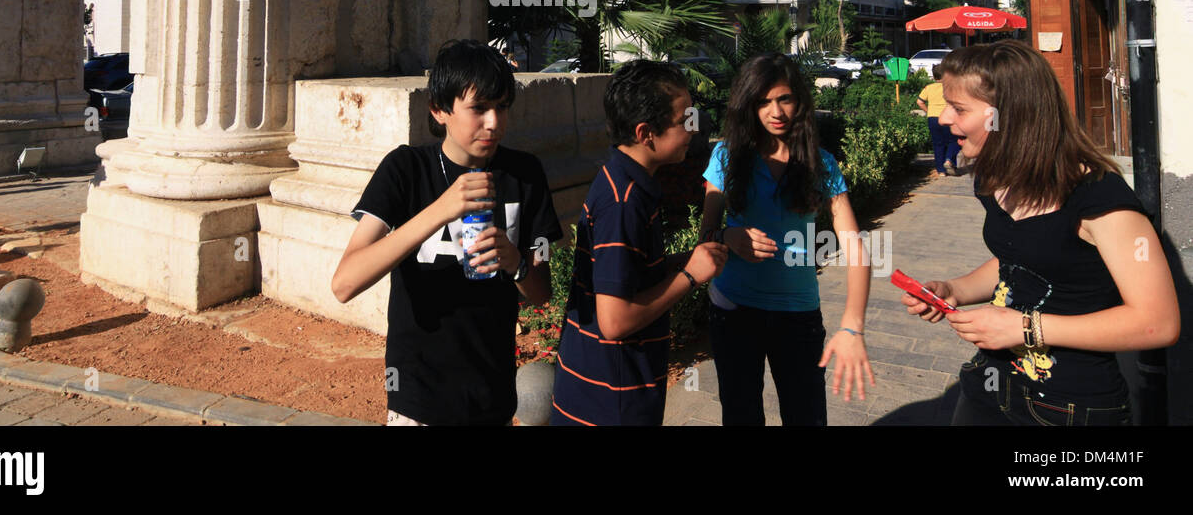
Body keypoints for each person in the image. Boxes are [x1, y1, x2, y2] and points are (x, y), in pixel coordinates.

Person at [901, 40, 1179, 425]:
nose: (945, 119)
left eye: (959, 108)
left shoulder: (1101, 198)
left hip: (1070, 408)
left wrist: (1024, 328)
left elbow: (1158, 322)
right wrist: (955, 290)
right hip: (989, 386)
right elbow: (1021, 257)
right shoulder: (997, 178)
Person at [331, 39, 562, 425]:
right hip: (420, 396)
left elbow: (542, 292)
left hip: (493, 393)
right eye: (479, 108)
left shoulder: (525, 174)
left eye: (502, 107)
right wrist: (440, 210)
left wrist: (516, 262)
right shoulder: (405, 169)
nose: (493, 122)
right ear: (440, 110)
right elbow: (344, 283)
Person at [699, 52, 876, 425]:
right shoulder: (725, 156)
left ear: (800, 101)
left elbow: (855, 247)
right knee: (741, 415)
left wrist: (852, 325)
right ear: (748, 105)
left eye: (784, 99)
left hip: (798, 315)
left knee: (807, 416)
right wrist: (728, 236)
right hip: (733, 310)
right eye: (763, 101)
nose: (775, 111)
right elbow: (706, 237)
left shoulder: (820, 163)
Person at [550, 60, 728, 426]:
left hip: (603, 391)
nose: (693, 128)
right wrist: (691, 276)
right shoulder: (624, 202)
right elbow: (613, 321)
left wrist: (685, 260)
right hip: (609, 403)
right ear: (647, 133)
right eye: (685, 120)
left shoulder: (626, 181)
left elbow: (630, 275)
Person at [916, 64, 961, 176]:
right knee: (954, 140)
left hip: (933, 119)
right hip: (948, 118)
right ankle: (949, 160)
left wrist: (928, 111)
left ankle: (941, 171)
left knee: (938, 144)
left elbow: (919, 102)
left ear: (934, 76)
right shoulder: (950, 87)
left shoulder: (928, 87)